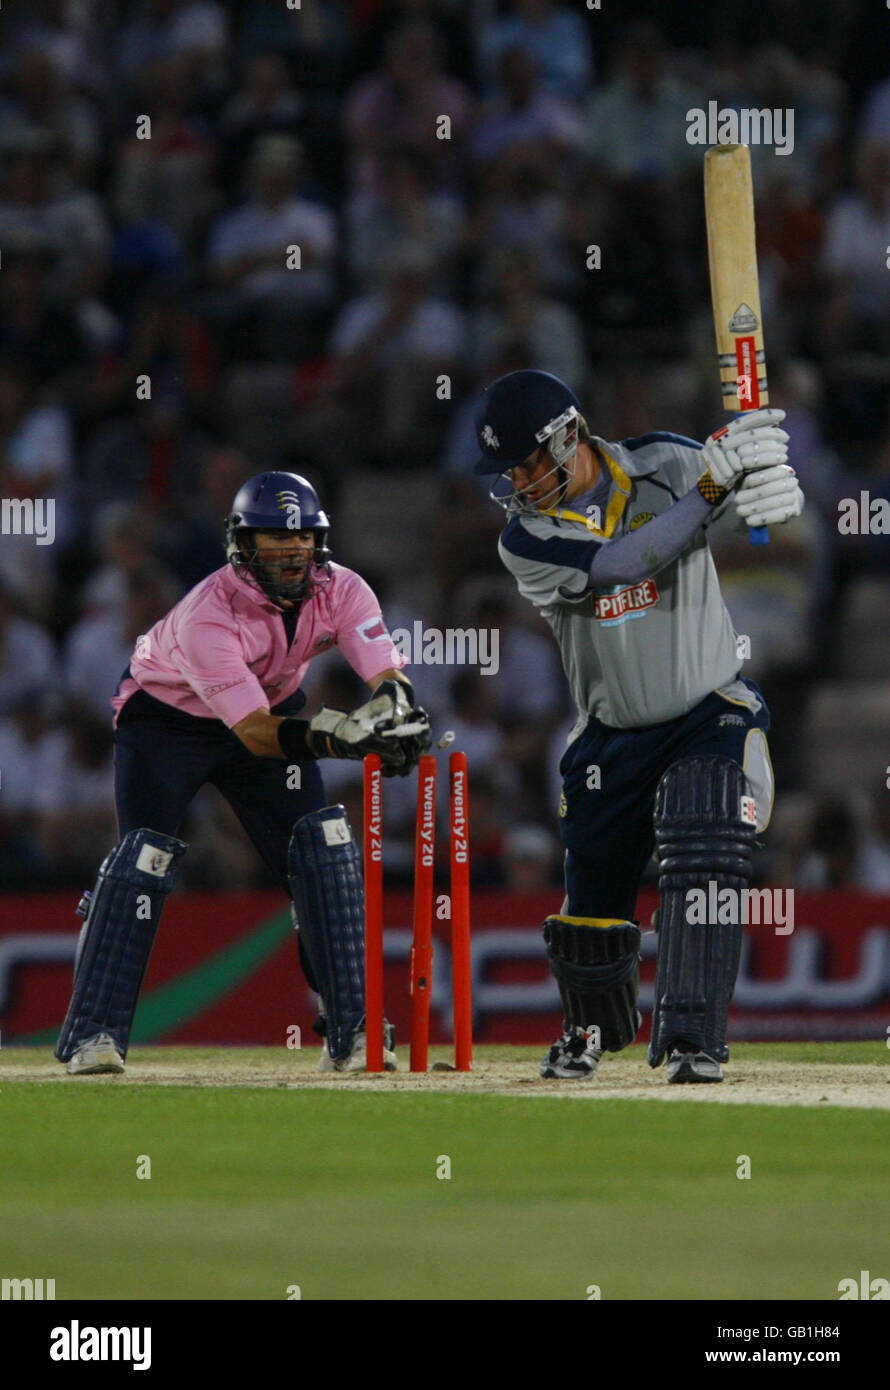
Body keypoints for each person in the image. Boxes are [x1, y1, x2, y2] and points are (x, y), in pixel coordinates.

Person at [472, 370, 803, 1083]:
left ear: (569, 436)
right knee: (592, 909)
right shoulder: (525, 540)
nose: (521, 482)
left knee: (706, 835)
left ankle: (693, 1038)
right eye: (512, 471)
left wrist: (770, 484)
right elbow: (625, 565)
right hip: (610, 732)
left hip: (706, 708)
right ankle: (586, 1030)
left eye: (529, 462)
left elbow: (754, 510)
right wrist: (716, 490)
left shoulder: (667, 461)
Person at [55, 471, 430, 1076]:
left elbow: (386, 672)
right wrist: (341, 736)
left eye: (302, 537)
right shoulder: (210, 612)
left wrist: (399, 710)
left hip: (270, 708)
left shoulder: (344, 589)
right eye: (272, 539)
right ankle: (92, 1034)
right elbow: (253, 733)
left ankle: (355, 1027)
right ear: (242, 546)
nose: (290, 551)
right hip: (167, 723)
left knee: (326, 846)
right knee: (143, 861)